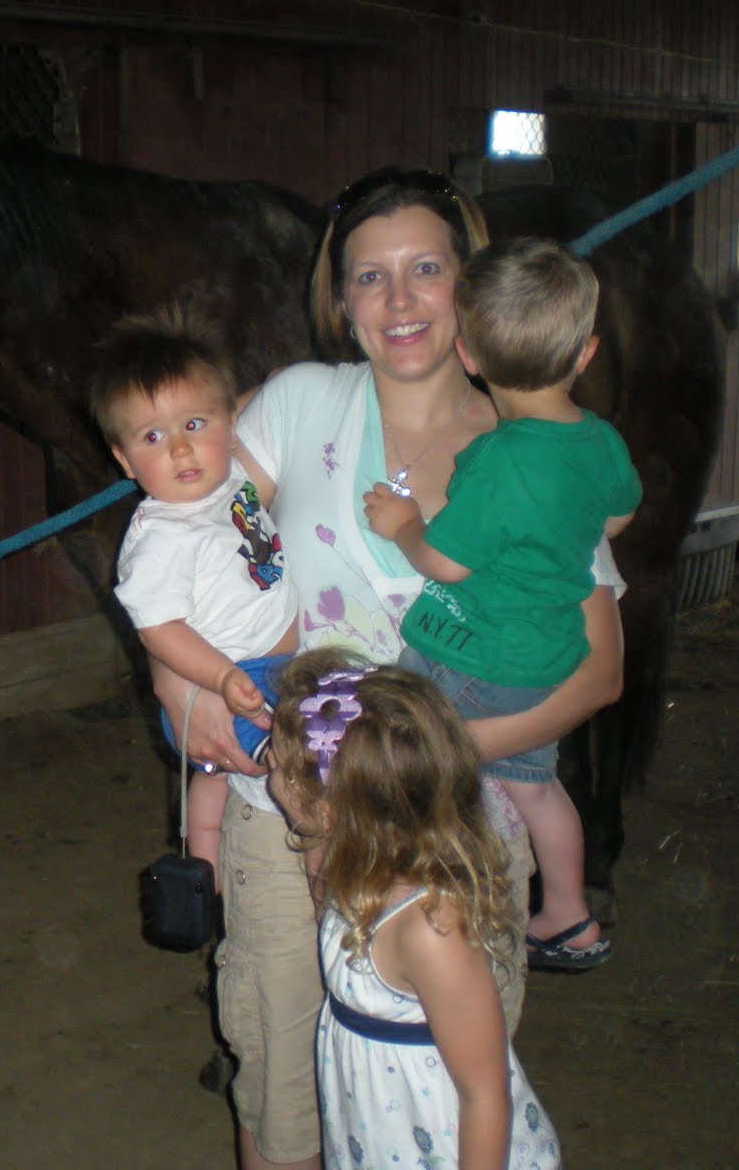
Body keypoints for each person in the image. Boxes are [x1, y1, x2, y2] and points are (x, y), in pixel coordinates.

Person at [148, 167, 624, 1170]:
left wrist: (431, 757)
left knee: (437, 1104)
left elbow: (596, 678)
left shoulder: (535, 447)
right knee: (281, 1085)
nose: (399, 301)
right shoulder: (296, 407)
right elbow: (192, 541)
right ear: (340, 299)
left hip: (460, 835)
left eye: (425, 270)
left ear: (473, 284)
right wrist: (179, 681)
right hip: (287, 820)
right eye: (370, 278)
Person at [363, 236, 640, 973]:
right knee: (534, 784)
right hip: (545, 660)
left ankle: (420, 906)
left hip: (468, 653)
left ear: (471, 358)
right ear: (585, 353)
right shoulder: (603, 443)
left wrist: (402, 524)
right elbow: (617, 519)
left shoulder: (496, 458)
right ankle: (570, 914)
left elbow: (446, 563)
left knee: (402, 754)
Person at [266, 652, 562, 1170]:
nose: (270, 763)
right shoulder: (354, 871)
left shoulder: (432, 931)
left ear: (335, 806)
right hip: (382, 1136)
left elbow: (485, 1094)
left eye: (285, 764)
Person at [88, 305, 298, 884]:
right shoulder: (160, 536)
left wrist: (277, 383)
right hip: (236, 678)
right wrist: (222, 678)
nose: (180, 450)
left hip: (273, 670)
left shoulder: (226, 479)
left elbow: (253, 397)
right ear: (125, 460)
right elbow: (158, 628)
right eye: (153, 437)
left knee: (211, 780)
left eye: (194, 426)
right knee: (295, 769)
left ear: (230, 424)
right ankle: (325, 873)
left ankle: (202, 876)